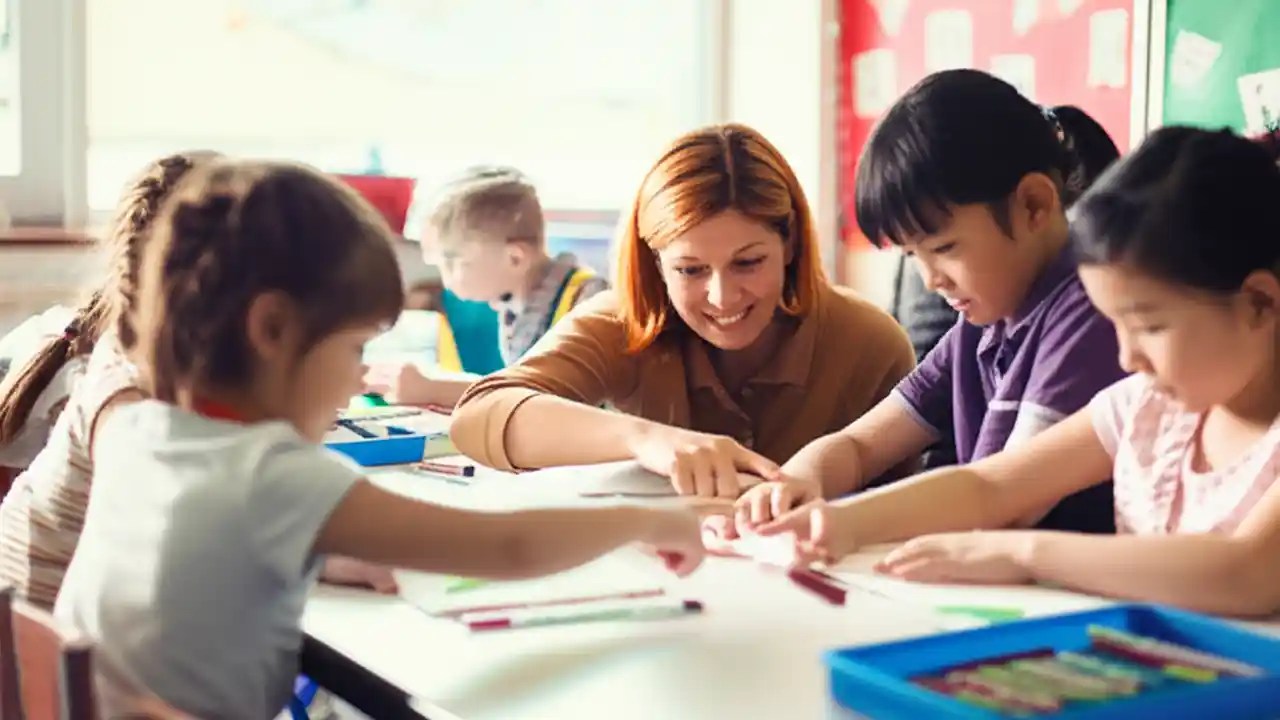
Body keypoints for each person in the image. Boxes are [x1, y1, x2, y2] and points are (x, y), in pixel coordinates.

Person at [53, 159, 705, 719]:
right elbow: (508, 546)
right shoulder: (273, 474)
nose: (359, 376)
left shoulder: (142, 429)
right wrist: (647, 519)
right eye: (355, 347)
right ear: (273, 329)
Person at [747, 128, 1280, 618]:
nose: (1126, 359)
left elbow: (1248, 573)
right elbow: (989, 486)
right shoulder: (1146, 406)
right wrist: (840, 522)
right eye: (1116, 326)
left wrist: (1021, 553)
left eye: (1150, 327)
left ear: (1258, 304)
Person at [737, 70, 1124, 531]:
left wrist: (840, 523)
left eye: (943, 248)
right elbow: (860, 447)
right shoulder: (984, 322)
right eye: (911, 255)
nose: (930, 279)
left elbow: (1005, 499)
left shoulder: (1091, 308)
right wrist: (793, 486)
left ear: (1034, 205)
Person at [449, 123, 915, 497]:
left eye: (749, 263)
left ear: (790, 242)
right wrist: (648, 440)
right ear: (656, 263)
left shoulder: (870, 343)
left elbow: (908, 513)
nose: (722, 296)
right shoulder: (625, 320)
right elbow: (480, 415)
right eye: (690, 270)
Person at [365, 166, 606, 406]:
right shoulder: (514, 306)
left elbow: (551, 399)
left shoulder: (589, 303)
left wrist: (436, 390)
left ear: (515, 259)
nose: (446, 280)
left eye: (453, 263)